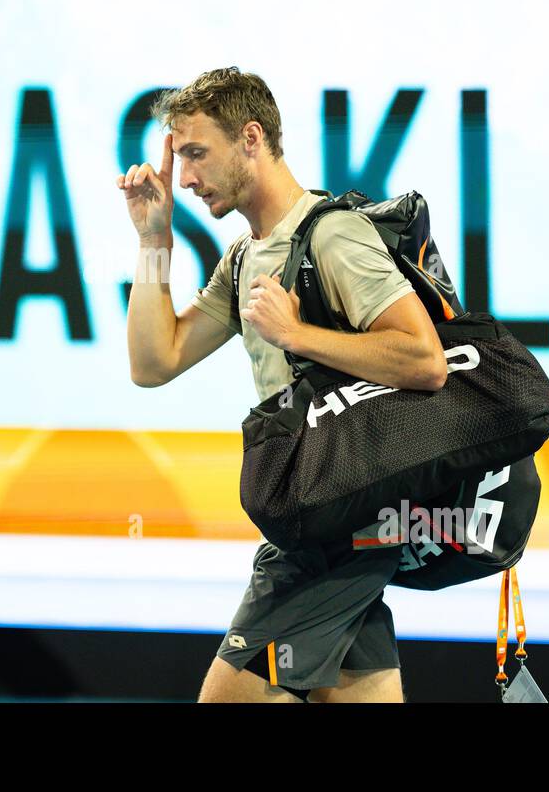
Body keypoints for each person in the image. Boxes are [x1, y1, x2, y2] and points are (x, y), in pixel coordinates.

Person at [116, 67, 447, 702]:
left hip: (328, 531)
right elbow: (154, 364)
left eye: (195, 153)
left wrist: (299, 336)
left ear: (250, 138)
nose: (183, 178)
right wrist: (154, 240)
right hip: (334, 524)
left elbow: (424, 359)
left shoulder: (333, 234)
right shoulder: (244, 256)